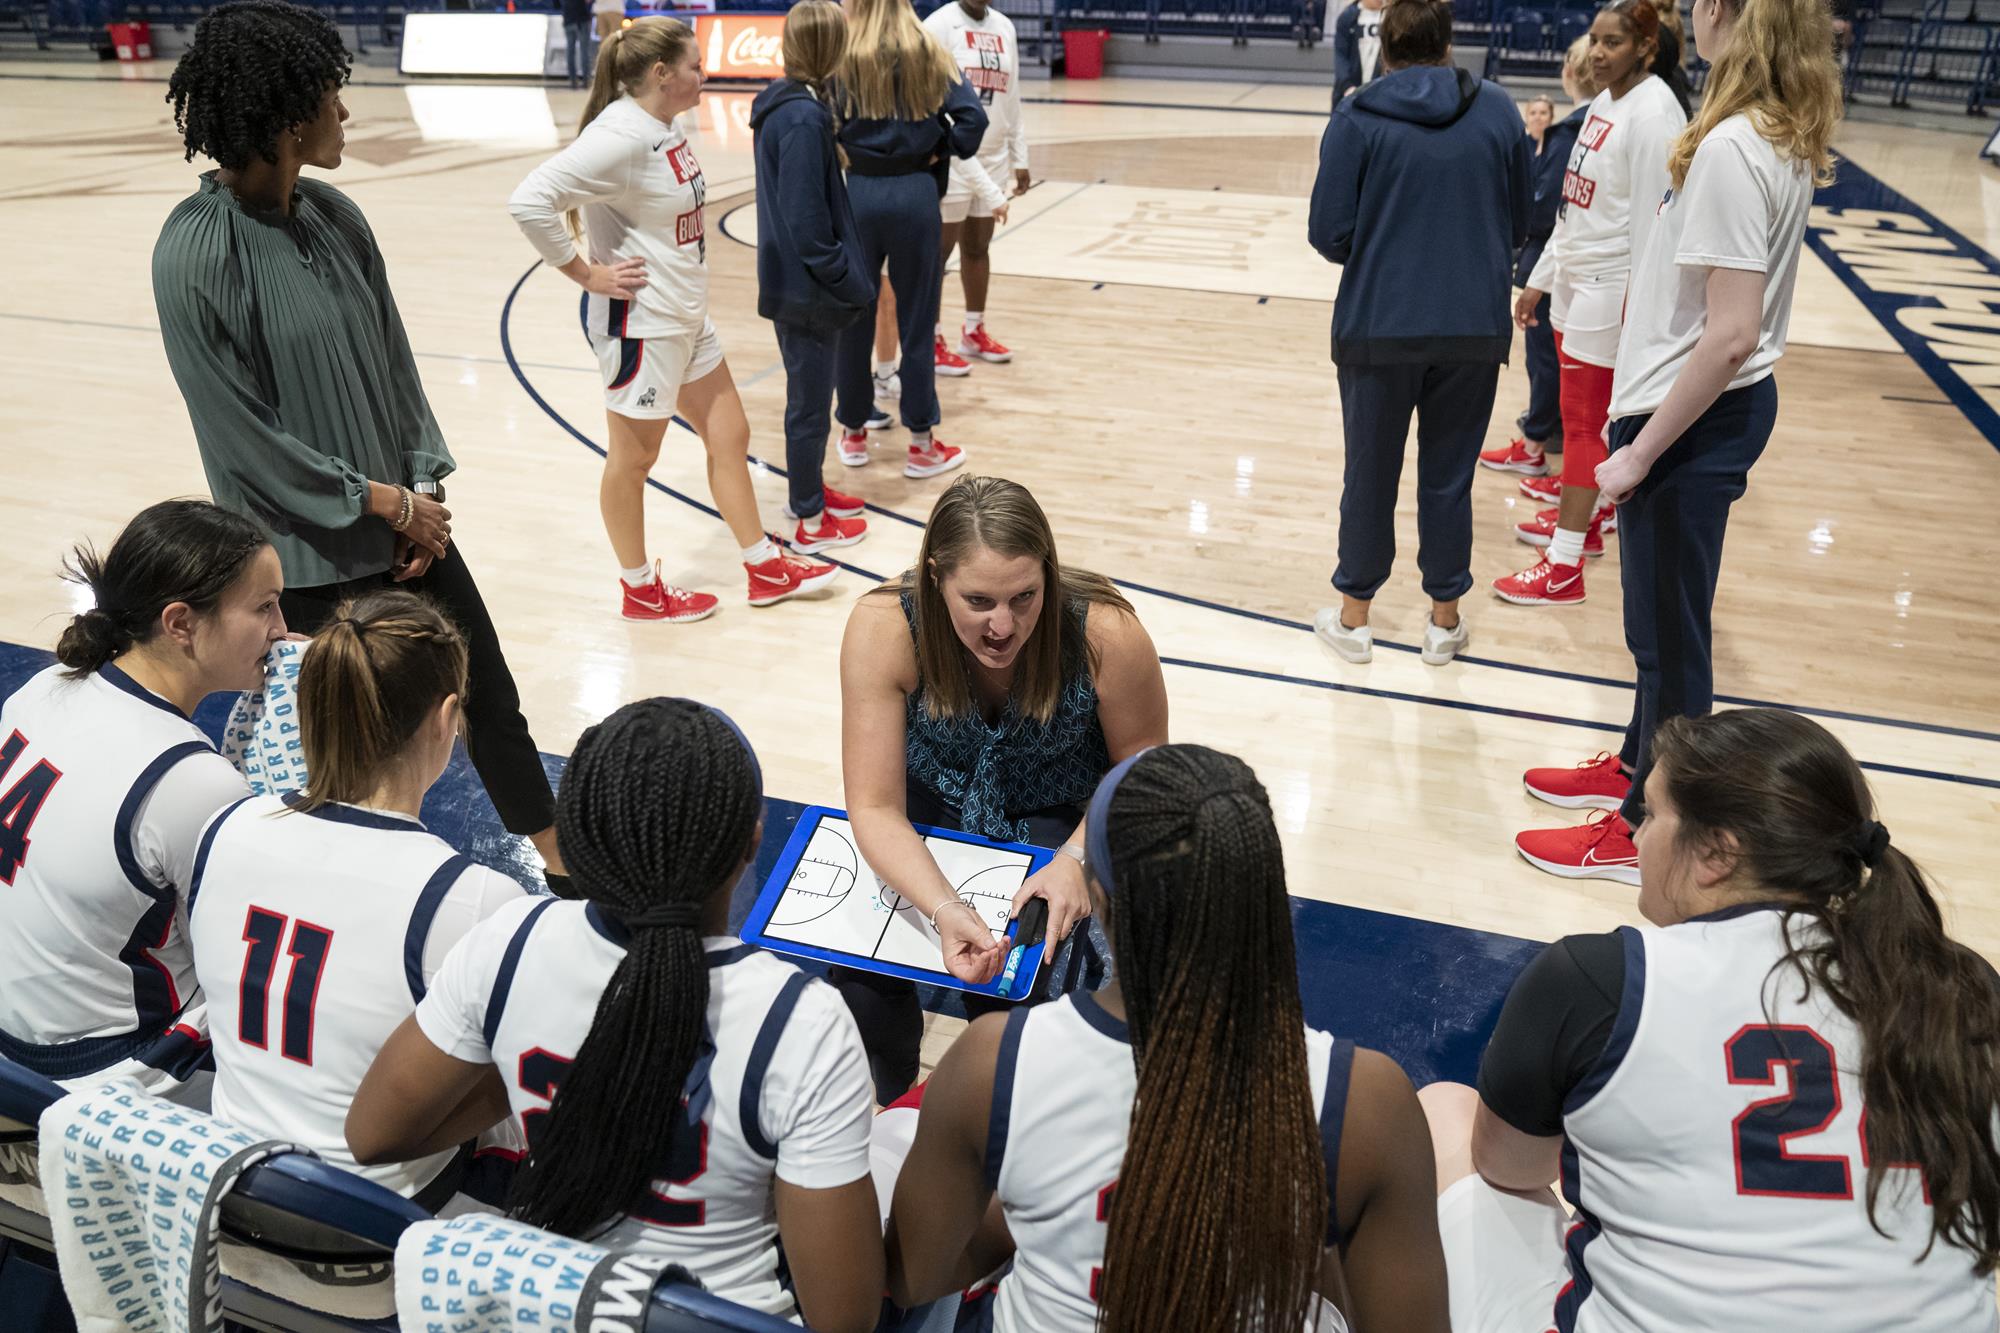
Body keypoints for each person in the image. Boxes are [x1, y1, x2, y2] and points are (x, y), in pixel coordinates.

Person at [154, 0, 566, 891]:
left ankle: (566, 870)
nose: (345, 114)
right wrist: (386, 504)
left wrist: (420, 489)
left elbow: (394, 366)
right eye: (330, 99)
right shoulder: (194, 252)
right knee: (338, 758)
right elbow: (242, 441)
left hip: (404, 529)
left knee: (489, 698)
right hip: (302, 566)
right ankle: (333, 904)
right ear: (286, 118)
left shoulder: (336, 215)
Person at [1421, 708, 2000, 1332]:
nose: (1634, 835)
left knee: (1445, 1111)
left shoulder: (1597, 977)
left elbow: (1510, 1168)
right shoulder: (1965, 985)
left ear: (1717, 853)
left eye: (1649, 814)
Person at [346, 699, 882, 1331]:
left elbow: (373, 1135)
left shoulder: (512, 940)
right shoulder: (803, 1020)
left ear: (574, 840)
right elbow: (845, 1321)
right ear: (753, 842)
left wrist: (552, 1086)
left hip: (550, 1308)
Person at [886, 744, 1450, 1333]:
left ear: (1098, 901)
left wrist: (1029, 1215)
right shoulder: (1367, 1100)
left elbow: (913, 1278)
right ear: (1265, 895)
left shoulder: (992, 1061)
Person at [1514, 0, 1841, 879]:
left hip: (1690, 420)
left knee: (1670, 642)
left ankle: (1650, 828)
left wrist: (1639, 450)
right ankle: (1637, 765)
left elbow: (1731, 333)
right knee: (1659, 633)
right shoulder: (1766, 129)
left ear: (1724, 14)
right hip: (1700, 410)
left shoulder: (1734, 147)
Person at [510, 18, 855, 622]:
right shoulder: (619, 136)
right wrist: (586, 274)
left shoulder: (660, 127)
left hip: (685, 318)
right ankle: (640, 588)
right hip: (642, 327)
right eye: (695, 66)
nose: (705, 73)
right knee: (633, 461)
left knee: (730, 435)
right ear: (660, 73)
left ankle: (763, 566)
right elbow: (530, 200)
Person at [836, 475, 1168, 1102]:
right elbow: (875, 805)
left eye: (1024, 597)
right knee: (860, 998)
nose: (1002, 625)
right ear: (935, 579)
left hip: (1058, 816)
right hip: (926, 807)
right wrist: (944, 908)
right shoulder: (883, 626)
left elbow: (1141, 772)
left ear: (1049, 574)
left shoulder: (1107, 634)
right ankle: (884, 1116)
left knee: (1021, 1003)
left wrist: (1076, 859)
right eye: (979, 600)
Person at [188, 590, 524, 1206]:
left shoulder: (224, 825)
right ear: (446, 718)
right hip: (371, 1217)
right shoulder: (477, 899)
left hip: (227, 1180)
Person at [0, 500, 284, 1099]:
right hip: (106, 1072)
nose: (282, 630)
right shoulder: (191, 781)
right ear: (180, 623)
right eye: (264, 606)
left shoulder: (45, 685)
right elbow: (246, 964)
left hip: (17, 1041)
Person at [1307, 0, 1529, 667]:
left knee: (1369, 474)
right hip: (1473, 326)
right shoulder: (1500, 109)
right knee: (1449, 478)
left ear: (1384, 47)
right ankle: (1444, 622)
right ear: (1448, 43)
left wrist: (1388, 238)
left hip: (1379, 323)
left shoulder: (1355, 115)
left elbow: (1328, 233)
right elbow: (1521, 221)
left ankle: (1354, 620)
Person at [1493, 0, 1685, 609]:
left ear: (1645, 48)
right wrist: (1542, 276)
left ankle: (1564, 567)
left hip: (1611, 284)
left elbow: (1657, 230)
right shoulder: (1605, 101)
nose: (1598, 54)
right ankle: (1589, 520)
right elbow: (1574, 205)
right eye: (1594, 40)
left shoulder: (1655, 114)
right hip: (1576, 277)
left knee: (1583, 425)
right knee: (1580, 420)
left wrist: (1640, 316)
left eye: (1613, 43)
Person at [829, 0, 993, 479]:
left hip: (860, 192)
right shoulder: (929, 50)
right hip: (916, 193)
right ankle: (921, 444)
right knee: (918, 322)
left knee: (854, 317)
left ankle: (854, 432)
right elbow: (973, 120)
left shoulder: (845, 54)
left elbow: (824, 123)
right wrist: (942, 148)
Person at [750, 1, 881, 546]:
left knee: (811, 405)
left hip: (798, 285)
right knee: (808, 408)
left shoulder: (791, 104)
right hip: (808, 291)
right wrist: (850, 278)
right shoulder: (802, 118)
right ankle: (808, 520)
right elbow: (807, 224)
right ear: (830, 47)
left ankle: (810, 490)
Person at [1479, 39, 1597, 488]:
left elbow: (1549, 209)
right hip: (1584, 266)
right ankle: (1547, 436)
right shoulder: (1605, 121)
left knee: (1546, 357)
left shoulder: (1573, 131)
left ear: (1570, 72)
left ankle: (1534, 446)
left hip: (1562, 263)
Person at [925, 0, 1030, 367]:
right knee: (938, 254)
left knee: (978, 245)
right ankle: (930, 338)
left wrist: (1020, 155)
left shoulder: (1005, 27)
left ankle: (973, 331)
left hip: (994, 156)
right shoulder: (938, 25)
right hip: (954, 157)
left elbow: (1011, 95)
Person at [1331, 0, 1388, 106]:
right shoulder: (1347, 16)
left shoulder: (1391, 16)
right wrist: (1347, 85)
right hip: (1350, 91)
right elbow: (1340, 55)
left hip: (1380, 93)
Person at [561, 0, 592, 89]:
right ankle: (586, 81)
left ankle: (573, 81)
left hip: (568, 18)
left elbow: (556, 4)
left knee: (570, 51)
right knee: (584, 51)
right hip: (582, 18)